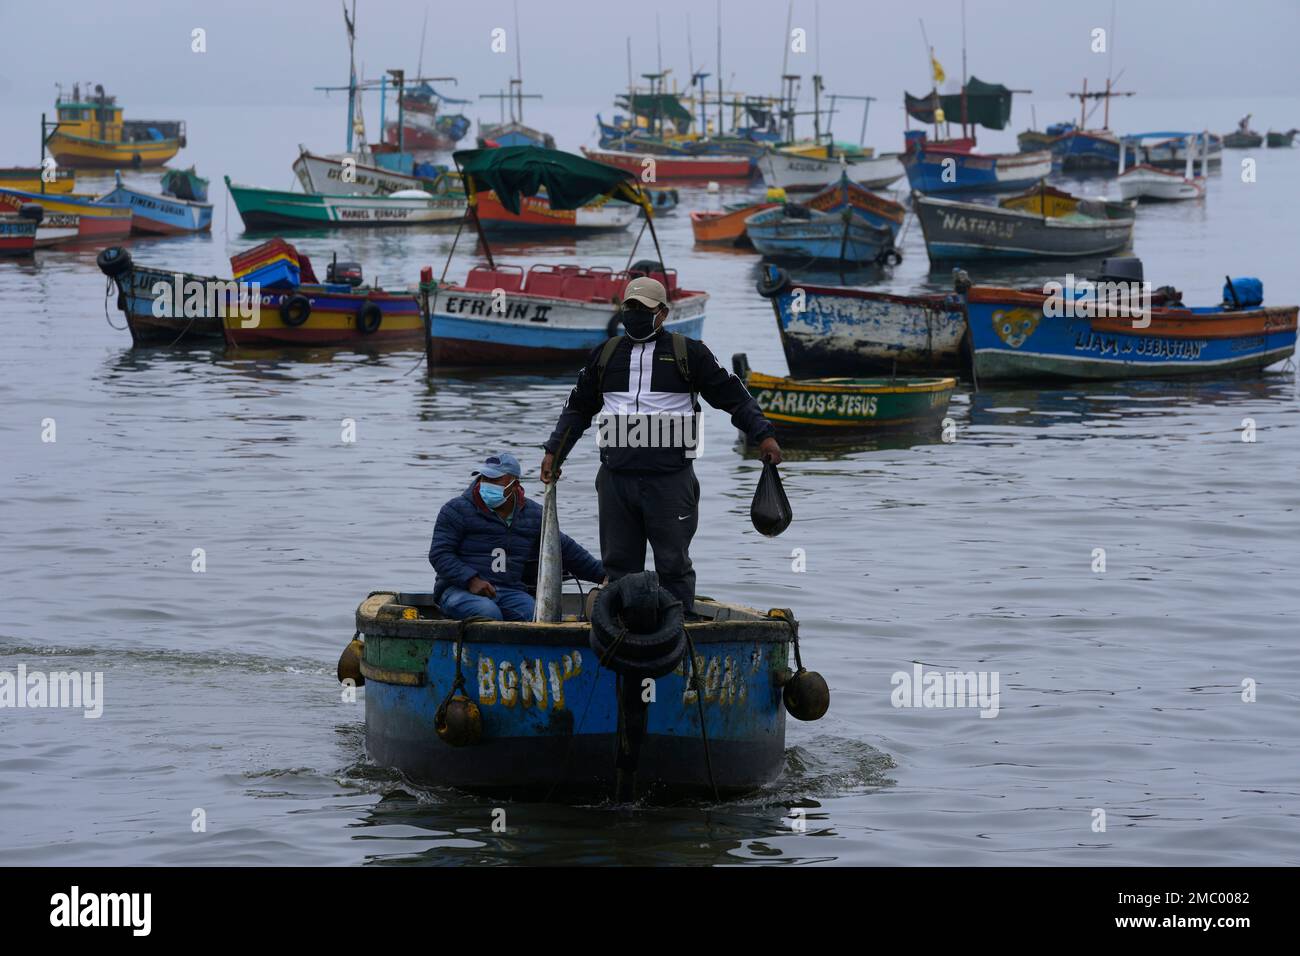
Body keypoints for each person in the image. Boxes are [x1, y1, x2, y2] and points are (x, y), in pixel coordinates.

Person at [540, 276, 781, 611]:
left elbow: (734, 398)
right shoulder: (605, 356)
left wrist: (764, 435)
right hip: (615, 481)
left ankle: (675, 632)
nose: (636, 314)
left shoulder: (688, 353)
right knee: (620, 568)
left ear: (663, 313)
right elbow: (578, 409)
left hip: (671, 481)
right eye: (630, 307)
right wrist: (555, 452)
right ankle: (621, 633)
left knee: (673, 566)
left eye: (644, 309)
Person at [429, 452, 605, 621]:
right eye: (484, 478)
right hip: (458, 590)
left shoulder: (534, 515)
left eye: (494, 480)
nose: (486, 484)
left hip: (509, 591)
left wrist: (607, 576)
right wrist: (471, 580)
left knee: (536, 616)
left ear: (514, 484)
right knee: (488, 612)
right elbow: (440, 554)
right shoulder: (455, 510)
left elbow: (567, 552)